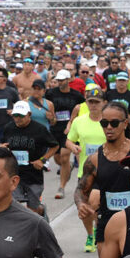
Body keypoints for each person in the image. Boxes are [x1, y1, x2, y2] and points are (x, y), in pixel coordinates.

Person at [76, 102, 130, 254]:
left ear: (125, 124)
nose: (109, 127)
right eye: (104, 123)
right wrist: (81, 204)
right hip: (106, 223)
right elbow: (81, 189)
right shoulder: (95, 159)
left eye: (114, 123)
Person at [67, 87, 109, 251]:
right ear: (86, 102)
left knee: (97, 204)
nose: (93, 105)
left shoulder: (109, 122)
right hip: (85, 172)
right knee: (84, 207)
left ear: (103, 103)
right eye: (90, 102)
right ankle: (90, 234)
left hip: (106, 170)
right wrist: (73, 147)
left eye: (97, 102)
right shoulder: (79, 121)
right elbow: (69, 140)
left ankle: (98, 231)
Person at [2, 101, 58, 218]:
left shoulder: (39, 129)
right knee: (15, 206)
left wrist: (42, 160)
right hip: (14, 173)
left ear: (29, 114)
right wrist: (2, 148)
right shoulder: (8, 128)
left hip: (33, 174)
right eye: (15, 115)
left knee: (33, 210)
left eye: (21, 116)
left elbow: (55, 146)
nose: (18, 118)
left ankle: (41, 211)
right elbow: (3, 144)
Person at [47, 69, 85, 198]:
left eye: (62, 80)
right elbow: (45, 105)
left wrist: (75, 123)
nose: (60, 82)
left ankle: (61, 187)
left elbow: (82, 109)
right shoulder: (51, 93)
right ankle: (68, 167)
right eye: (58, 80)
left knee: (64, 157)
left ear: (68, 80)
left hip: (69, 130)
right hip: (55, 129)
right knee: (58, 158)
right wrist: (49, 115)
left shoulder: (76, 95)